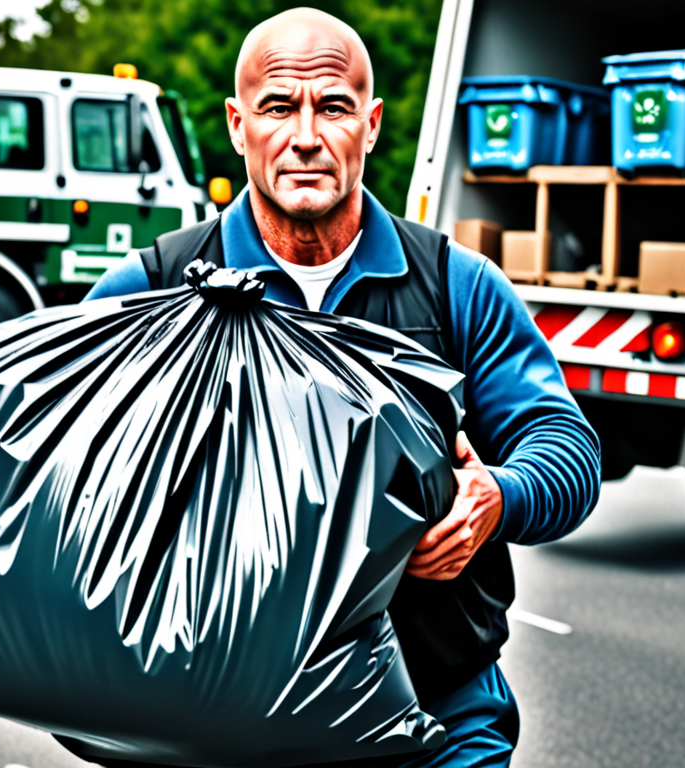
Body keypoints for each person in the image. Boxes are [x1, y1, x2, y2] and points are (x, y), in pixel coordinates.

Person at [85, 8, 600, 767]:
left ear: (372, 123)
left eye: (331, 107)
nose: (304, 136)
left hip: (435, 721)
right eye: (276, 107)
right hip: (212, 729)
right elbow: (62, 474)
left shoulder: (455, 288)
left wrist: (497, 497)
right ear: (236, 124)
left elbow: (565, 447)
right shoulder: (154, 289)